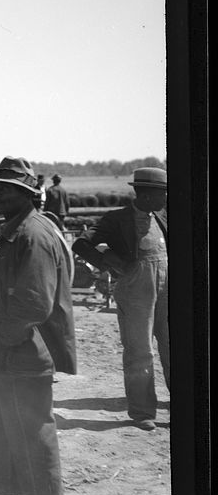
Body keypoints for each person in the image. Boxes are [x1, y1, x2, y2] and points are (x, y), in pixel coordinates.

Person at [0, 156, 77, 495]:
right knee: (8, 443)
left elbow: (35, 302)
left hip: (23, 357)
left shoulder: (32, 234)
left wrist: (5, 337)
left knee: (32, 449)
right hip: (13, 358)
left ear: (26, 195)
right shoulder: (20, 230)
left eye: (5, 190)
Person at [71, 167, 168, 431]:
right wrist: (105, 262)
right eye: (163, 194)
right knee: (140, 351)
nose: (166, 199)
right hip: (136, 288)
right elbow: (80, 244)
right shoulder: (117, 220)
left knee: (174, 347)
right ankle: (142, 412)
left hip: (167, 287)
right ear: (145, 194)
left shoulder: (162, 215)